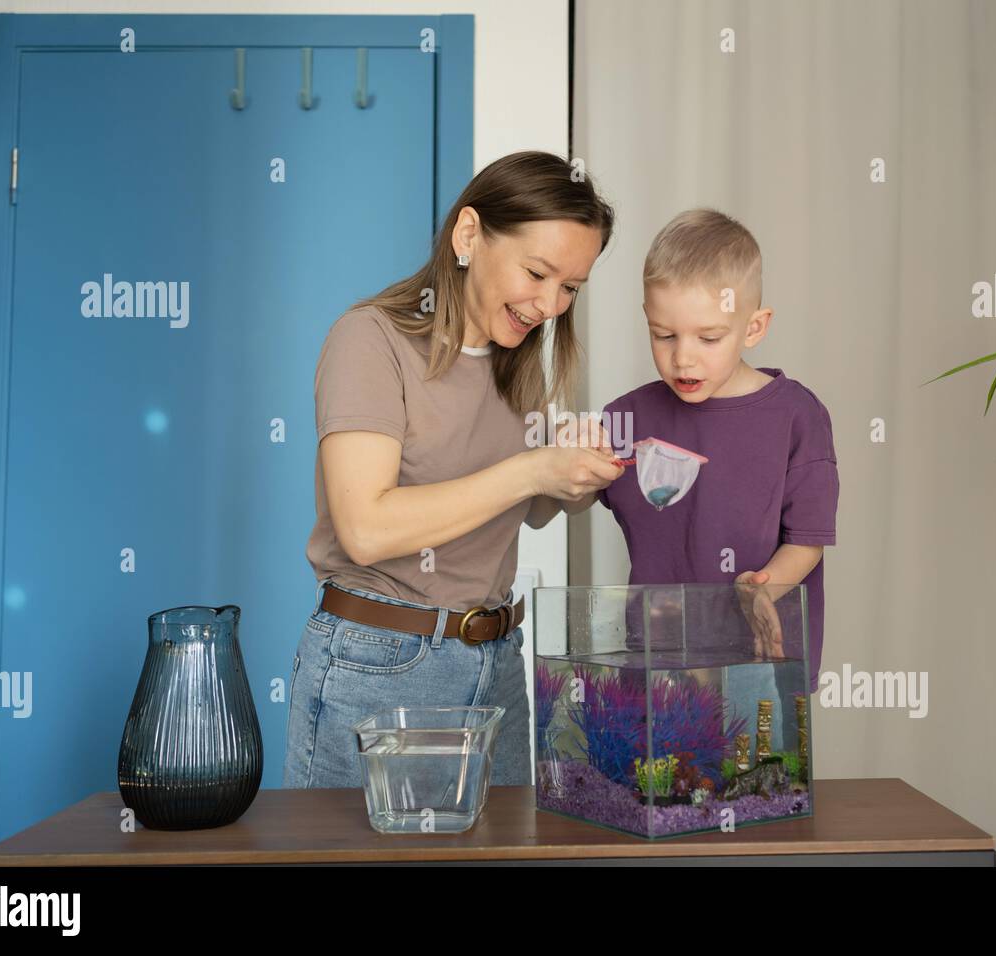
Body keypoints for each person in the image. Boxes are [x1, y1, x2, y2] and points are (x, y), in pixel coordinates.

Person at [283, 151, 623, 790]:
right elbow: (367, 528)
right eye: (538, 272)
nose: (551, 304)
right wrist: (531, 470)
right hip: (380, 665)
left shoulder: (516, 363)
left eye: (571, 287)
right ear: (469, 235)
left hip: (496, 663)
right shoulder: (369, 340)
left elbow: (534, 504)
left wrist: (576, 472)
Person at [574, 208, 840, 754]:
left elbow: (808, 539)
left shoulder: (797, 416)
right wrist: (569, 453)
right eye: (664, 335)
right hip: (655, 661)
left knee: (755, 799)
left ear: (755, 326)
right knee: (660, 795)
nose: (683, 357)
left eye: (709, 337)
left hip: (758, 666)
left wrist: (763, 589)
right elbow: (569, 492)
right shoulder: (625, 418)